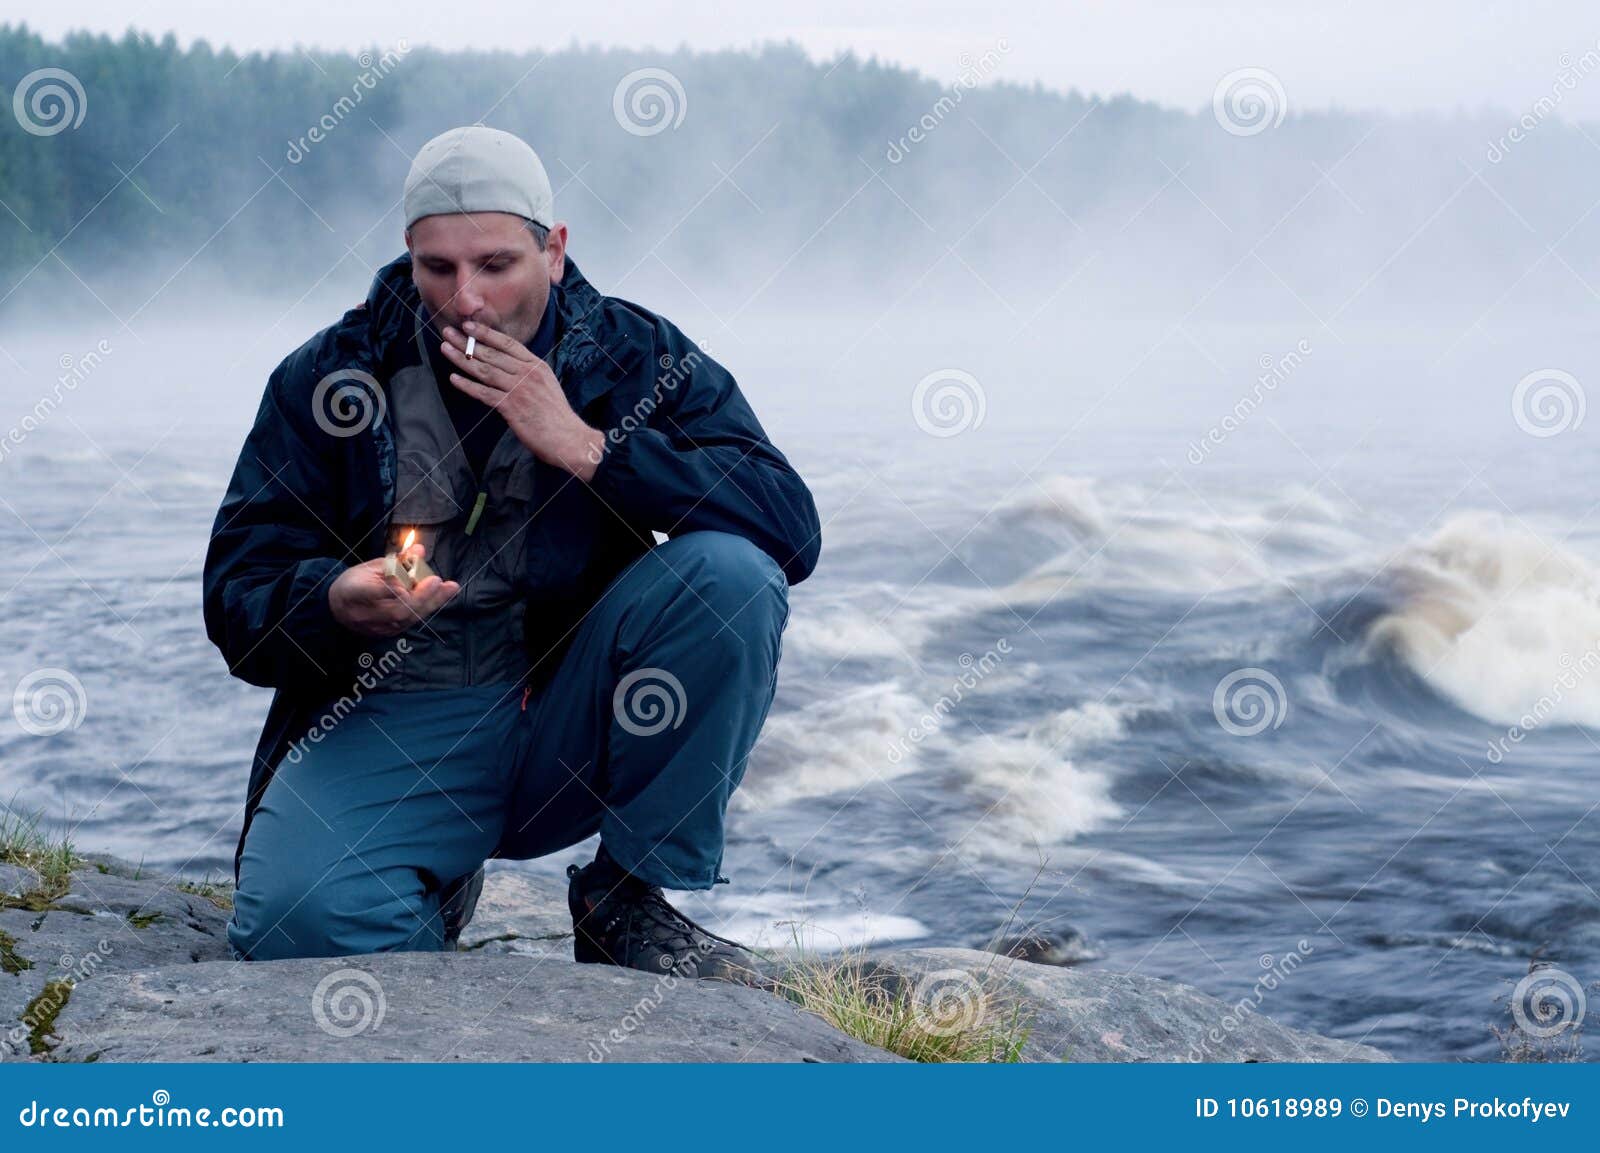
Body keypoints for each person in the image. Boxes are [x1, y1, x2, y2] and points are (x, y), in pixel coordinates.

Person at [202, 125, 821, 979]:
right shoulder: (325, 380)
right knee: (295, 933)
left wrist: (590, 447)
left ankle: (626, 901)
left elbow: (790, 527)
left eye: (496, 265)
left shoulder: (634, 355)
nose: (466, 301)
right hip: (404, 710)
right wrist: (335, 599)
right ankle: (433, 878)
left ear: (555, 251)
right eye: (438, 269)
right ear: (409, 256)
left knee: (730, 577)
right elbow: (238, 590)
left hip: (577, 710)